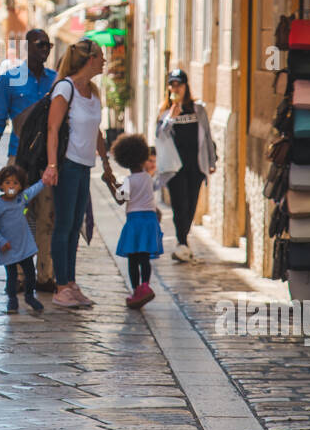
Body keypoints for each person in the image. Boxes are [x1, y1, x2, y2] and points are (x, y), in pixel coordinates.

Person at [41, 37, 116, 308]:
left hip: (86, 166)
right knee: (63, 225)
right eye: (100, 56)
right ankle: (61, 286)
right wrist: (52, 165)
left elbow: (96, 130)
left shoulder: (93, 92)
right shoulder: (65, 88)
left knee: (76, 226)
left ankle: (71, 282)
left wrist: (106, 164)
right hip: (68, 165)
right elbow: (52, 128)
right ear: (89, 60)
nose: (104, 60)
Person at [0, 29, 58, 289]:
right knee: (15, 217)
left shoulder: (56, 80)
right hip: (18, 157)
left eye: (48, 45)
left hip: (47, 157)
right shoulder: (9, 79)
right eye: (40, 44)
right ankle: (16, 275)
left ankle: (44, 274)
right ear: (27, 46)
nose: (46, 49)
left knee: (47, 216)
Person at [157, 69, 217, 262]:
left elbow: (207, 135)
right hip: (175, 167)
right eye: (172, 84)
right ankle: (181, 242)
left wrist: (212, 161)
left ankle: (183, 242)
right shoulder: (165, 110)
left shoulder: (198, 109)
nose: (176, 88)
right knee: (179, 205)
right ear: (168, 88)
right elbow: (160, 135)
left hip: (195, 164)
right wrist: (171, 117)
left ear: (185, 87)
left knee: (191, 205)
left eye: (179, 84)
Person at [111, 135, 175, 310]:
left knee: (133, 258)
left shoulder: (128, 181)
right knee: (145, 257)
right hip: (149, 221)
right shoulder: (147, 178)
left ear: (124, 160)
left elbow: (120, 199)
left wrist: (109, 183)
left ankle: (136, 290)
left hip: (135, 222)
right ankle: (146, 285)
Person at [0, 165, 45, 314]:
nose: (11, 186)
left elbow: (33, 190)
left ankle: (29, 296)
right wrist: (1, 241)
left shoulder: (22, 198)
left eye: (15, 183)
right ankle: (12, 300)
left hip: (24, 245)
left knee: (30, 273)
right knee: (12, 276)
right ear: (0, 185)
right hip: (8, 247)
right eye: (7, 183)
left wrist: (44, 181)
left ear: (20, 186)